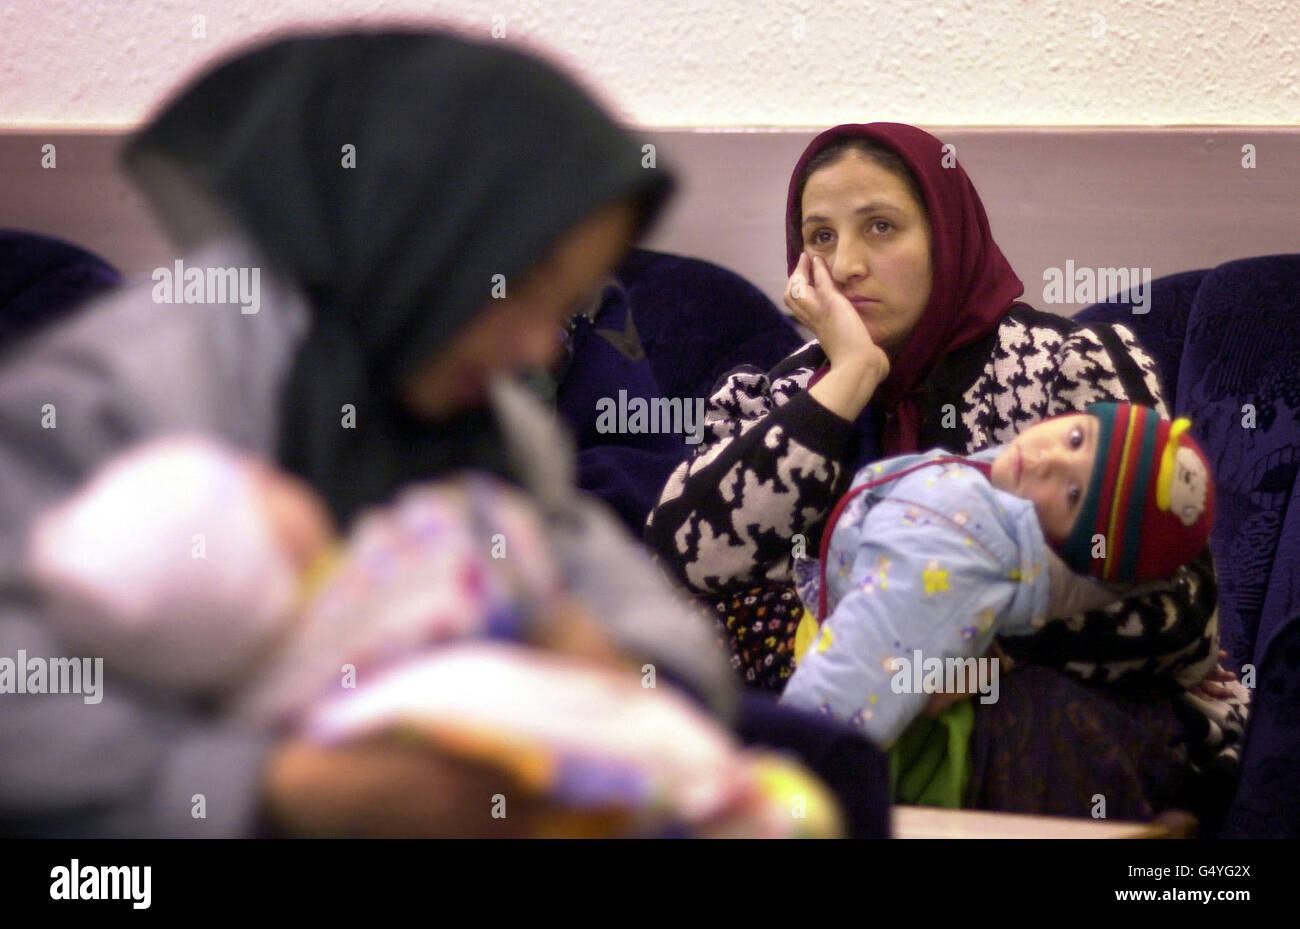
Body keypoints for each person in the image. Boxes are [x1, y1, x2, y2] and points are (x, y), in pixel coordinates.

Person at [0, 29, 745, 838]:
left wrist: (626, 674)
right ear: (418, 234)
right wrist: (271, 786)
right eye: (524, 289)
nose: (541, 347)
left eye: (565, 305)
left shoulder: (494, 425)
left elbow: (616, 593)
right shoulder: (128, 387)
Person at [647, 122, 1239, 820]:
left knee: (1035, 711)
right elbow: (683, 563)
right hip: (839, 721)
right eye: (820, 237)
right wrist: (850, 378)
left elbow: (1183, 613)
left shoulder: (1070, 365)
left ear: (946, 236)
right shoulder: (774, 399)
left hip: (1052, 729)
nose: (846, 265)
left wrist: (962, 643)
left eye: (881, 227)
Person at [25, 436, 842, 838]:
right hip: (541, 745)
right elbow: (498, 543)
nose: (278, 474)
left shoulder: (249, 693)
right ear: (260, 551)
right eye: (259, 485)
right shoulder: (391, 562)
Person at [781, 402, 1217, 752]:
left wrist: (770, 780)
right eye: (1076, 437)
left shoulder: (957, 542)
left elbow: (855, 677)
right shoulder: (1011, 497)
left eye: (1073, 495)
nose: (1050, 459)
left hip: (850, 668)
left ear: (1075, 548)